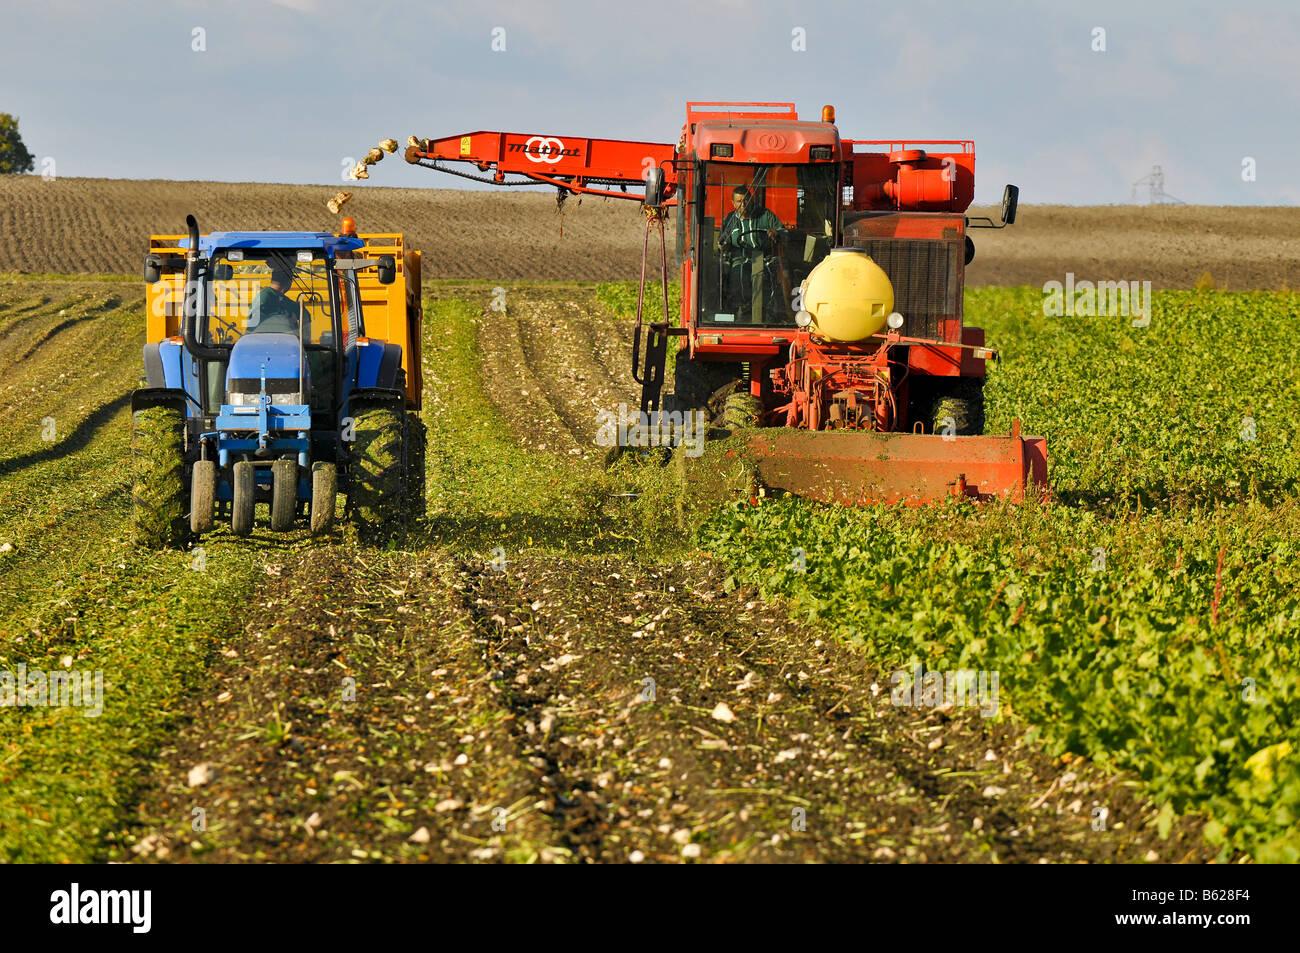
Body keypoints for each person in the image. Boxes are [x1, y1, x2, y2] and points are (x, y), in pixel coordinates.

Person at [718, 186, 785, 322]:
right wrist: (723, 245)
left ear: (752, 200)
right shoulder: (729, 220)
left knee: (776, 276)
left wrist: (776, 233)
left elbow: (783, 231)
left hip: (766, 257)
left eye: (746, 200)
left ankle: (773, 312)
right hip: (740, 257)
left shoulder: (765, 215)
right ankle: (742, 307)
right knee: (739, 272)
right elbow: (722, 242)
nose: (743, 205)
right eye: (739, 201)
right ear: (733, 203)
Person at [247, 264, 298, 333]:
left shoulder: (279, 297)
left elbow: (298, 309)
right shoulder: (264, 298)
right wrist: (288, 320)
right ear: (289, 282)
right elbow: (254, 325)